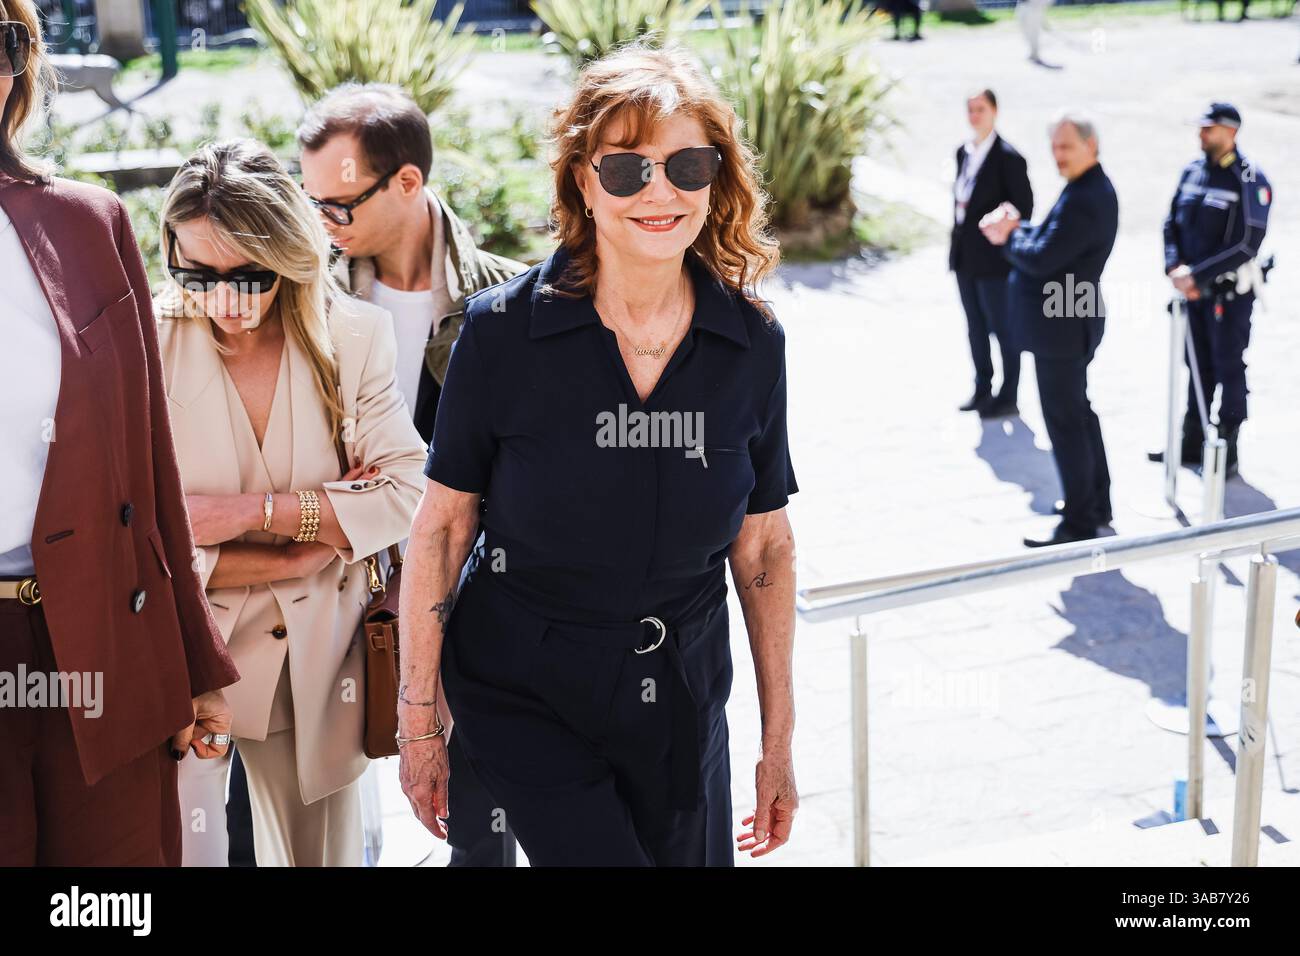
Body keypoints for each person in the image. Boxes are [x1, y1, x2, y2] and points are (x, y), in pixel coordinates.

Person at [397, 44, 800, 866]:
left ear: (717, 176)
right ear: (584, 182)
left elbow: (762, 547)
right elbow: (441, 532)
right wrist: (418, 725)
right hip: (524, 689)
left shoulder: (751, 344)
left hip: (682, 692)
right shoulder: (502, 333)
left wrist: (779, 745)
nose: (661, 191)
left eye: (687, 165)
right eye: (627, 170)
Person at [0, 1, 238, 866]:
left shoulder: (88, 222)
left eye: (2, 42)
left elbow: (149, 464)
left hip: (102, 631)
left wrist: (194, 655)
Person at [156, 139, 427, 866]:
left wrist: (246, 514)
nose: (223, 300)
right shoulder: (142, 343)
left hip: (317, 663)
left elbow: (405, 489)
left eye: (249, 275)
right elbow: (136, 537)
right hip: (182, 659)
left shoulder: (354, 335)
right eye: (195, 273)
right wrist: (313, 542)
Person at [297, 83, 529, 867]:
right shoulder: (307, 299)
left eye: (339, 204)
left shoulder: (509, 297)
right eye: (313, 203)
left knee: (481, 826)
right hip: (333, 587)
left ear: (407, 182)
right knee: (331, 818)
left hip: (471, 600)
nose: (322, 224)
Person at [981, 111, 1119, 548]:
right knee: (1077, 412)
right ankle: (1094, 503)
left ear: (1091, 146)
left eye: (1067, 147)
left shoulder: (1086, 196)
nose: (1058, 156)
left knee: (1065, 420)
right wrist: (1021, 229)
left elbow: (1044, 257)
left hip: (1064, 323)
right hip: (1070, 316)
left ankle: (1080, 520)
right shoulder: (1085, 188)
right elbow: (1051, 241)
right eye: (1055, 147)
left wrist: (1007, 235)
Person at [1154, 102, 1271, 478]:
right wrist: (1174, 267)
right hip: (1191, 293)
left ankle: (1227, 448)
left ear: (1230, 131)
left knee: (1228, 365)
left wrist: (1198, 275)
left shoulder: (1249, 178)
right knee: (1196, 364)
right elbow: (1170, 222)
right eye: (1201, 128)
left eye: (1209, 128)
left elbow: (1247, 242)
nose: (1201, 134)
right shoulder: (1192, 171)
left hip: (1228, 295)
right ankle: (1192, 443)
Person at [949, 88, 1033, 419]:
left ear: (994, 111)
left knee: (1003, 327)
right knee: (975, 326)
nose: (974, 116)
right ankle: (982, 387)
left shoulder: (1009, 157)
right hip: (964, 257)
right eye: (970, 110)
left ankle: (1008, 394)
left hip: (994, 261)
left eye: (980, 109)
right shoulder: (963, 152)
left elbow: (1024, 205)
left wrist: (1003, 217)